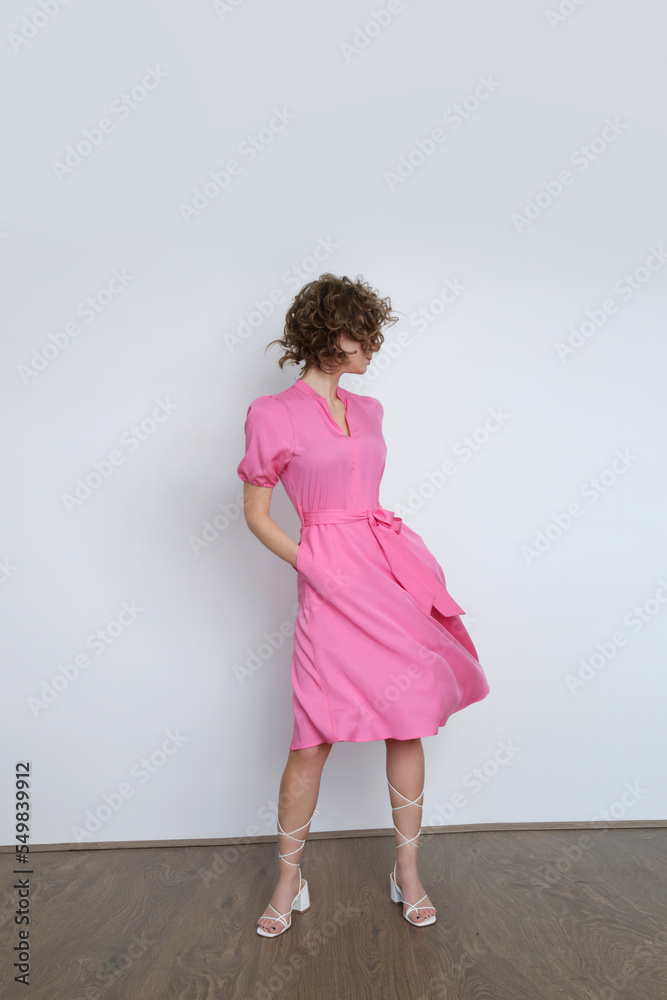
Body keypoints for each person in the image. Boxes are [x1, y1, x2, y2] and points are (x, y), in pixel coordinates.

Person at [237, 273, 490, 937]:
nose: (371, 347)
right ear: (326, 335)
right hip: (328, 579)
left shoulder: (371, 409)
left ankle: (406, 873)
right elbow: (257, 513)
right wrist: (310, 562)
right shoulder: (271, 413)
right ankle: (288, 880)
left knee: (405, 720)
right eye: (360, 334)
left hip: (387, 569)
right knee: (311, 736)